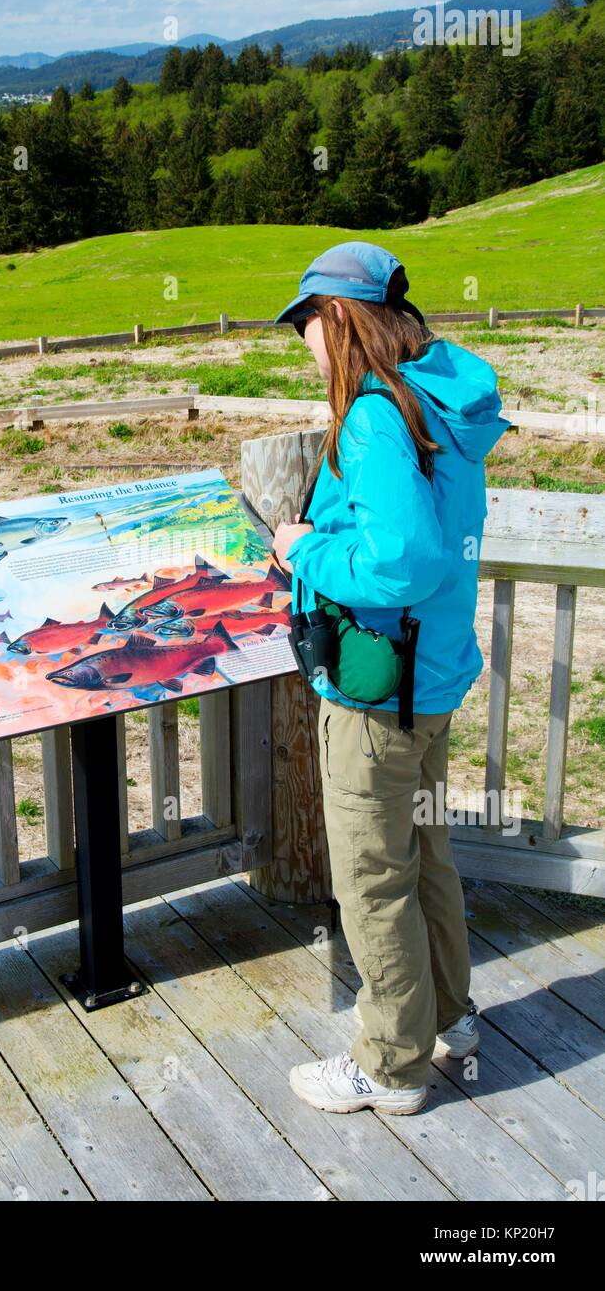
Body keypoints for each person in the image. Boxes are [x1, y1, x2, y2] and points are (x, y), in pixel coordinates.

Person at [271, 241, 510, 1116]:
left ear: (341, 316)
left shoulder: (375, 415)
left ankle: (392, 1062)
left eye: (306, 323)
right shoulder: (444, 400)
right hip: (434, 679)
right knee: (427, 854)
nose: (304, 342)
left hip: (378, 693)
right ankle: (452, 1016)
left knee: (374, 876)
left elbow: (399, 560)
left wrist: (305, 549)